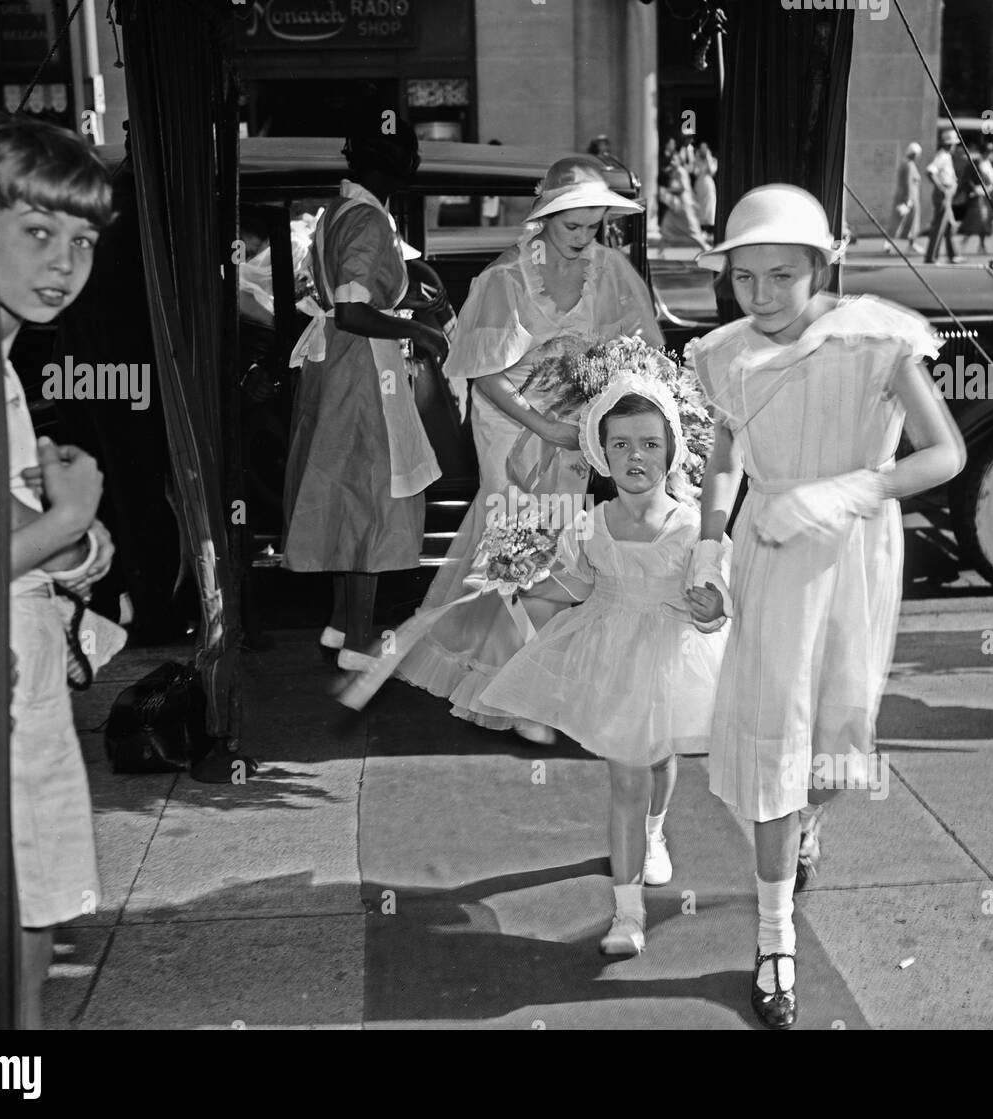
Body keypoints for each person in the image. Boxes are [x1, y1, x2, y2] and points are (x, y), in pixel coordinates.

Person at [686, 185, 965, 1028]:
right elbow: (726, 455)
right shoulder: (724, 354)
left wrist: (851, 490)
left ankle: (807, 822)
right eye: (743, 278)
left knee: (838, 748)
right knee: (773, 737)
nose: (762, 295)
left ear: (822, 265)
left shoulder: (878, 339)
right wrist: (709, 546)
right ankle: (775, 939)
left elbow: (945, 453)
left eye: (781, 275)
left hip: (854, 554)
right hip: (771, 552)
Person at [396, 158, 662, 743]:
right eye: (574, 227)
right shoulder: (505, 278)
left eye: (595, 227)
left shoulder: (610, 270)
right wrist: (545, 425)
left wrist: (595, 413)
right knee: (521, 533)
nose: (585, 238)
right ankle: (520, 693)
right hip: (510, 421)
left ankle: (536, 682)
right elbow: (482, 374)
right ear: (545, 220)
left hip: (574, 423)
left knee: (561, 544)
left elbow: (637, 350)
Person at [479, 378, 729, 954]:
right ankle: (627, 913)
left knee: (660, 757)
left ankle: (655, 829)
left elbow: (717, 607)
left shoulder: (693, 528)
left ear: (670, 449)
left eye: (647, 444)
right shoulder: (590, 524)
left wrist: (711, 608)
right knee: (625, 776)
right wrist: (520, 579)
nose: (634, 457)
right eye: (619, 445)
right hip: (613, 657)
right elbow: (576, 585)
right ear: (600, 451)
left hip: (671, 658)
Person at [0, 114, 117, 1028]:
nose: (63, 261)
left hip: (21, 663)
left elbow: (16, 536)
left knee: (31, 889)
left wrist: (74, 539)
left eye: (80, 241)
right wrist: (71, 518)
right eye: (37, 231)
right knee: (7, 894)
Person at [281, 112, 449, 670]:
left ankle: (337, 627)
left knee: (346, 496)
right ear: (400, 164)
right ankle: (358, 642)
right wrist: (418, 328)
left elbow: (342, 303)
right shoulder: (371, 221)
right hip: (362, 374)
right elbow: (355, 310)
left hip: (336, 368)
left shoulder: (339, 212)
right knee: (374, 501)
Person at [923, 128, 965, 264]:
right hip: (943, 195)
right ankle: (931, 257)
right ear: (949, 144)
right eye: (954, 144)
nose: (955, 147)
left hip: (947, 195)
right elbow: (930, 171)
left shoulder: (946, 156)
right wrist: (940, 187)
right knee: (939, 227)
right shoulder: (942, 156)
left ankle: (953, 254)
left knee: (949, 226)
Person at [959, 141, 993, 255]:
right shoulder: (975, 163)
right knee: (976, 218)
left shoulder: (988, 163)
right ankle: (963, 243)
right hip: (978, 194)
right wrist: (974, 189)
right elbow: (968, 178)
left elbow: (992, 180)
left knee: (985, 221)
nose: (990, 154)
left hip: (987, 194)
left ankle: (981, 245)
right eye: (989, 151)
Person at [886, 142, 923, 254]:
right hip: (908, 198)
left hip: (910, 197)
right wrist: (908, 199)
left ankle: (911, 243)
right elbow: (907, 183)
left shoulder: (908, 163)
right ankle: (888, 243)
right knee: (898, 221)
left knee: (911, 222)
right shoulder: (907, 164)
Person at [693, 141, 719, 235]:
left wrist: (708, 157)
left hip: (708, 184)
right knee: (700, 206)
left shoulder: (713, 160)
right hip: (700, 185)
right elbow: (695, 172)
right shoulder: (697, 161)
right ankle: (701, 228)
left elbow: (712, 171)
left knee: (710, 206)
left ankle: (710, 229)